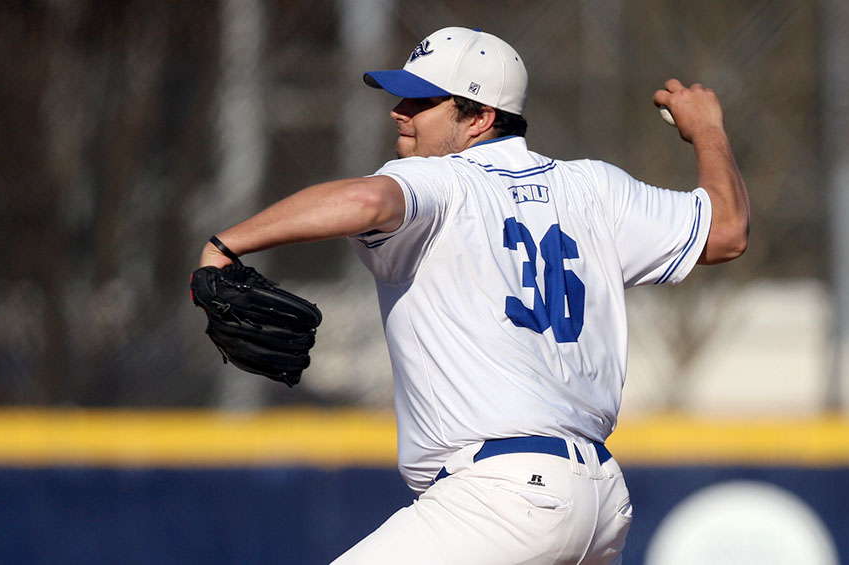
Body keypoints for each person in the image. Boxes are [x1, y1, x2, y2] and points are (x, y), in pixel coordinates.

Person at [199, 26, 749, 565]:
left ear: (480, 119)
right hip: (600, 500)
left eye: (421, 100)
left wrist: (226, 244)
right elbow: (725, 231)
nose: (399, 111)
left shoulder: (441, 181)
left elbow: (366, 201)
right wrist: (708, 131)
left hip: (499, 497)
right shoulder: (595, 188)